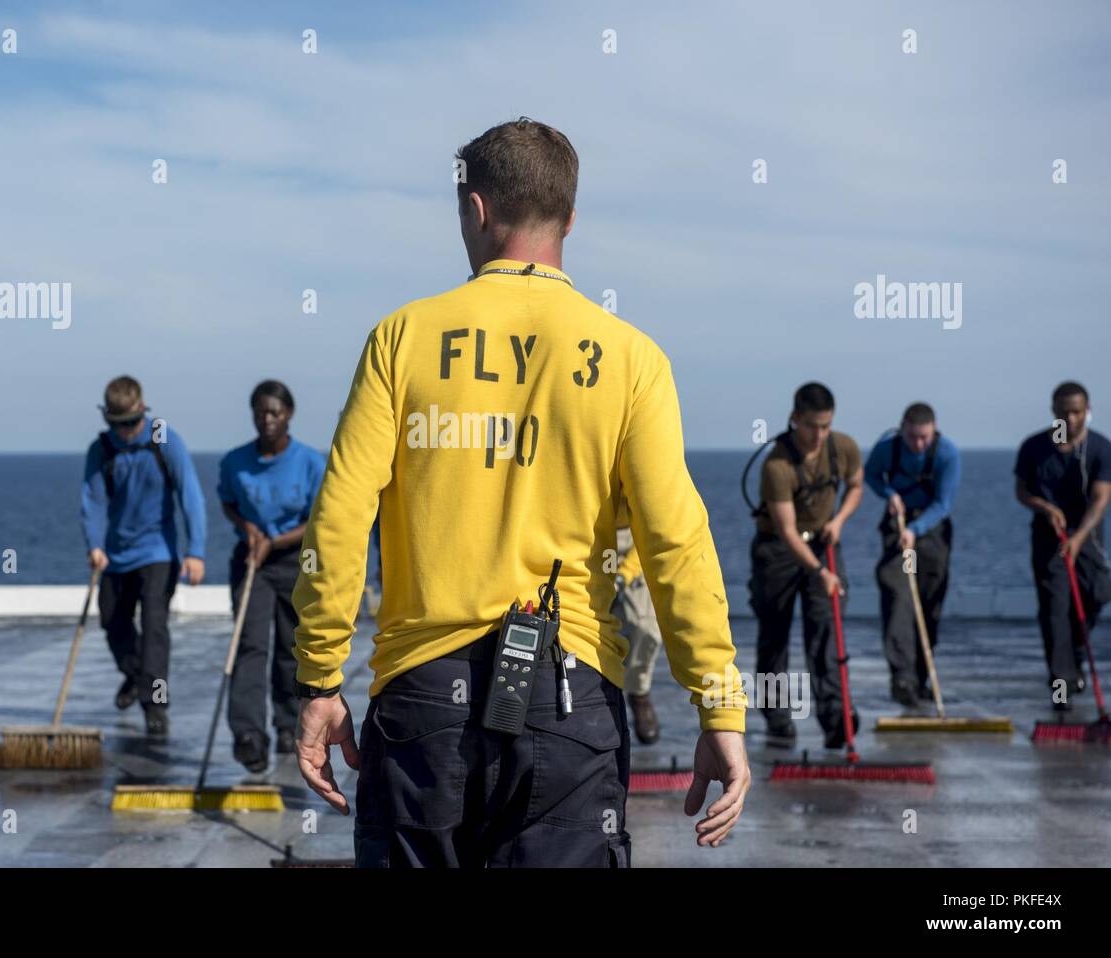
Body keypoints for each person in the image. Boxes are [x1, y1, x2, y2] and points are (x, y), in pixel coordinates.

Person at [291, 117, 748, 868]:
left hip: (421, 696)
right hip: (573, 701)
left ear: (475, 209)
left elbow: (340, 517)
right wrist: (719, 708)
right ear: (570, 217)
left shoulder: (401, 338)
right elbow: (678, 544)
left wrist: (319, 680)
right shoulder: (634, 359)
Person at [81, 376, 206, 737]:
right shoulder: (101, 449)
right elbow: (92, 501)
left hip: (158, 552)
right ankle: (135, 675)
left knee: (154, 627)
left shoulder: (164, 441)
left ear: (143, 412)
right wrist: (94, 545)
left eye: (130, 424)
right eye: (116, 425)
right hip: (116, 554)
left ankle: (155, 705)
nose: (125, 432)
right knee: (111, 621)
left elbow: (191, 497)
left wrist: (195, 551)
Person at [217, 380, 326, 772]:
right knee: (249, 645)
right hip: (252, 560)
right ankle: (248, 736)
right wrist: (248, 527)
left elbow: (319, 516)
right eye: (261, 412)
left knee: (289, 647)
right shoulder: (234, 462)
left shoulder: (311, 462)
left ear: (289, 415)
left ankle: (285, 725)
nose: (267, 420)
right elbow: (228, 501)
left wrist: (276, 540)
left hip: (295, 559)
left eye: (275, 412)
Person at [748, 382, 863, 749]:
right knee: (774, 637)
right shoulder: (777, 465)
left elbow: (856, 486)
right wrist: (819, 572)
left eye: (826, 426)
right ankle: (778, 718)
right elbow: (785, 530)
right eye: (812, 425)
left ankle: (836, 718)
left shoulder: (842, 447)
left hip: (825, 542)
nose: (819, 434)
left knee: (826, 631)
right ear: (795, 419)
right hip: (779, 551)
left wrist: (839, 519)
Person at [1014, 381, 1111, 708]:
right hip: (1048, 538)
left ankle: (1077, 657)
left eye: (1076, 412)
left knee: (1096, 594)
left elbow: (1100, 500)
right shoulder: (1034, 448)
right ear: (1053, 411)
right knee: (1054, 612)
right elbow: (1022, 491)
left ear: (1087, 411)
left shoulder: (1100, 448)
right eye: (1063, 412)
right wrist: (1044, 507)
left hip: (1087, 535)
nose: (1070, 419)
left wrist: (1079, 538)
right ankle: (1061, 689)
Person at [864, 403, 961, 705]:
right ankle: (902, 679)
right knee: (899, 598)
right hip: (897, 525)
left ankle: (923, 676)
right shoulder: (887, 449)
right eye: (912, 437)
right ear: (902, 427)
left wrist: (915, 530)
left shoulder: (947, 453)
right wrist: (889, 494)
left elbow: (944, 503)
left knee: (929, 603)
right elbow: (870, 475)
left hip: (931, 529)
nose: (918, 444)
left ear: (933, 431)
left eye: (924, 438)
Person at [613, 521, 663, 744]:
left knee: (645, 627)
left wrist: (624, 573)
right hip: (586, 538)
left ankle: (639, 693)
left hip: (635, 539)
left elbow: (654, 524)